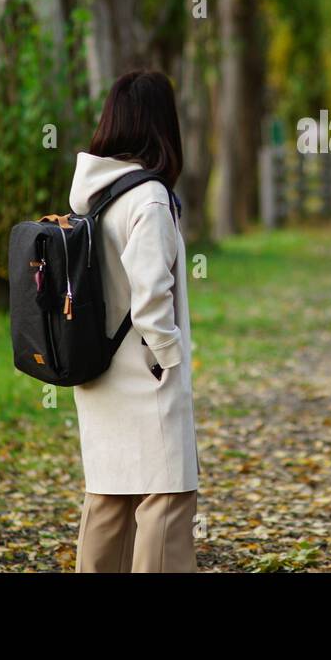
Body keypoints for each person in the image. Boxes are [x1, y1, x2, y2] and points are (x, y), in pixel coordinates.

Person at [68, 69, 199, 573]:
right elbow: (150, 300)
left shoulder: (93, 196)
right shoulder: (149, 199)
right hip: (146, 377)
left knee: (109, 501)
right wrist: (171, 358)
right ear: (161, 125)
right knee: (168, 500)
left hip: (97, 371)